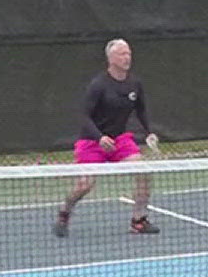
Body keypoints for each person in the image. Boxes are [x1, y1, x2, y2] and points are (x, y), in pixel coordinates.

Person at [54, 38, 160, 237]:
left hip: (119, 140)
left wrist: (149, 132)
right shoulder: (98, 85)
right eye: (122, 54)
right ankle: (65, 211)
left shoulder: (135, 84)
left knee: (144, 171)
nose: (127, 57)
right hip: (92, 142)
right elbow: (83, 115)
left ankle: (138, 220)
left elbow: (141, 110)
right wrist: (100, 137)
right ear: (111, 58)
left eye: (128, 53)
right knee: (85, 185)